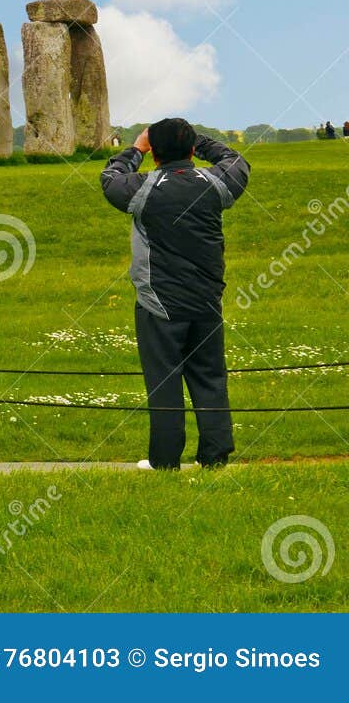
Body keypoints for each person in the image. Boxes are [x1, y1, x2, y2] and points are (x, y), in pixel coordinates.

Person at [101, 118, 250, 471]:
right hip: (207, 300)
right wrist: (200, 142)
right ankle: (215, 456)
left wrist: (136, 148)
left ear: (155, 153)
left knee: (164, 382)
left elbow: (110, 180)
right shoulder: (214, 183)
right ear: (191, 149)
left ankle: (165, 461)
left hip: (159, 302)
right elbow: (236, 161)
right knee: (210, 377)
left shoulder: (144, 188)